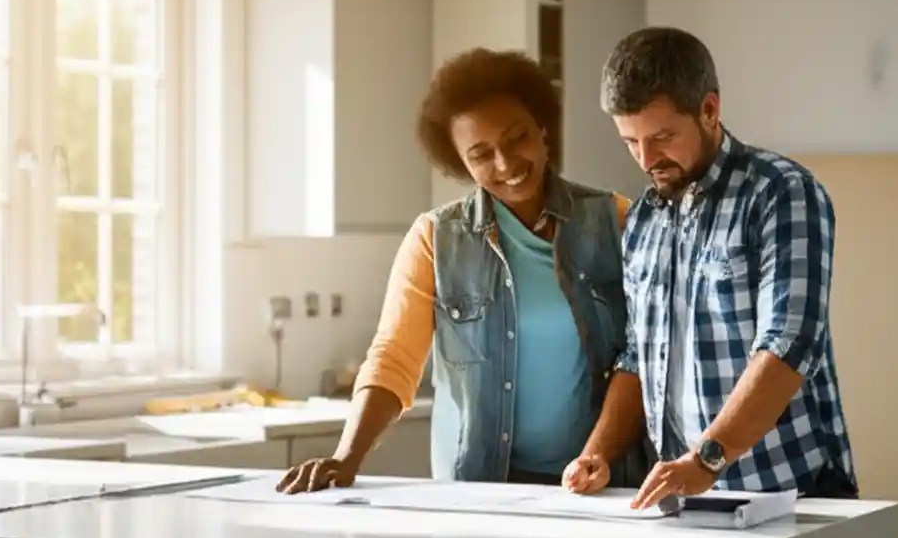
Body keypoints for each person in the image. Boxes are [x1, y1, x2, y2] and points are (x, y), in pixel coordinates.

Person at [277, 47, 648, 493]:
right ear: (460, 162)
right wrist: (346, 456)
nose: (506, 164)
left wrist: (598, 455)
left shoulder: (618, 221)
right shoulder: (435, 238)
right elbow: (395, 358)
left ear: (542, 130)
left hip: (602, 486)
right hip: (481, 489)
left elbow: (643, 355)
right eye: (481, 154)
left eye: (516, 139)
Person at [562, 26, 858, 507]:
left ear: (710, 110)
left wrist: (706, 460)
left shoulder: (780, 194)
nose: (646, 159)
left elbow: (788, 344)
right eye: (630, 142)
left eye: (662, 137)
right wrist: (599, 454)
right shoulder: (643, 218)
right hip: (688, 496)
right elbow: (639, 356)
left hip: (791, 493)